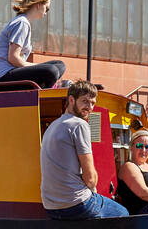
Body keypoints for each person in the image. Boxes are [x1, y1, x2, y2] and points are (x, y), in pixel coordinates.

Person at [40, 80, 129, 219]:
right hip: (75, 203)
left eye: (93, 103)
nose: (90, 107)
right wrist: (93, 190)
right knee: (123, 213)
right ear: (71, 100)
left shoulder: (52, 126)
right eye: (85, 101)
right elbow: (90, 177)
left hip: (51, 206)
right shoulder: (79, 124)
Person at [0, 0, 67, 88]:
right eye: (47, 9)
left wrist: (38, 67)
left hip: (10, 73)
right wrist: (38, 67)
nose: (46, 13)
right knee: (51, 70)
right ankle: (48, 90)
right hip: (3, 77)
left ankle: (46, 86)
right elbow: (13, 58)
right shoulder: (22, 23)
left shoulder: (23, 22)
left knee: (59, 64)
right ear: (38, 5)